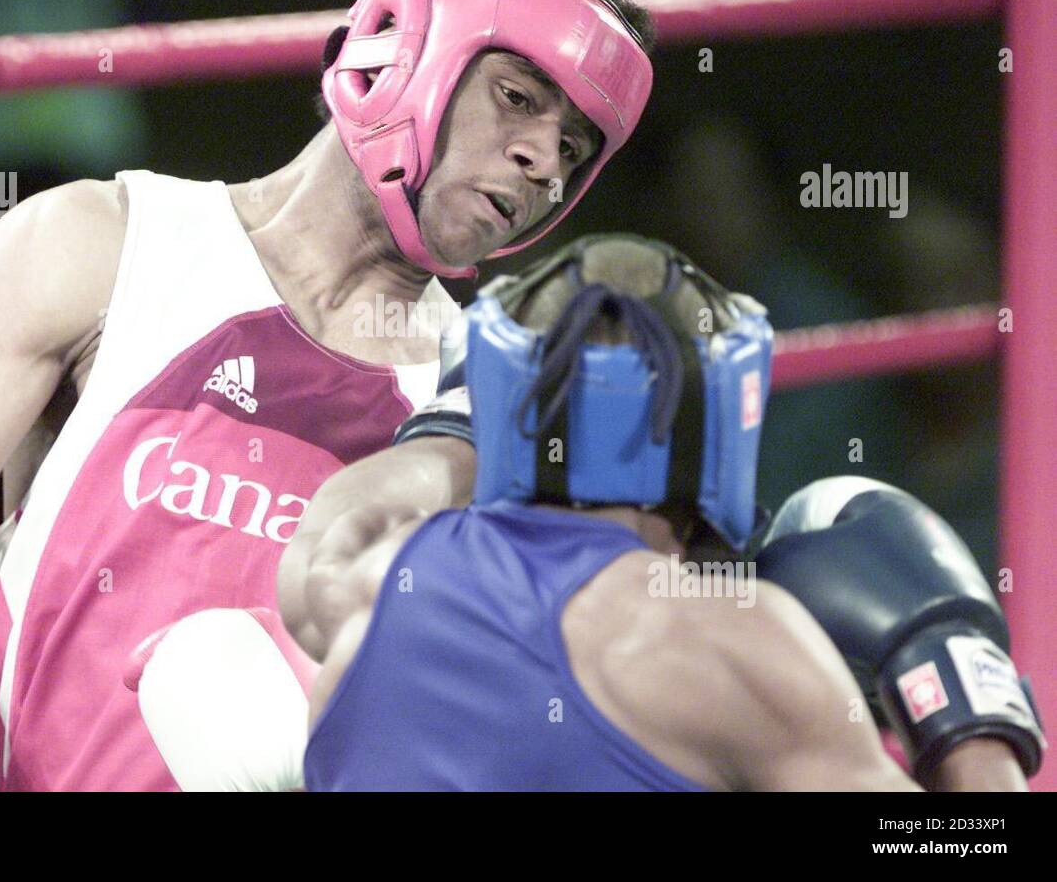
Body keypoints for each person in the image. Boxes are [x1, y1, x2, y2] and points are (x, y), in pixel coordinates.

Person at [0, 0, 656, 791]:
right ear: (403, 44)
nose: (543, 159)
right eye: (518, 98)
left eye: (574, 144)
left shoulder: (487, 402)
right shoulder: (103, 248)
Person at [276, 234, 1043, 790]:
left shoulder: (359, 576)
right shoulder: (735, 644)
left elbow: (380, 493)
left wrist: (484, 418)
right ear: (721, 423)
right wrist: (958, 694)